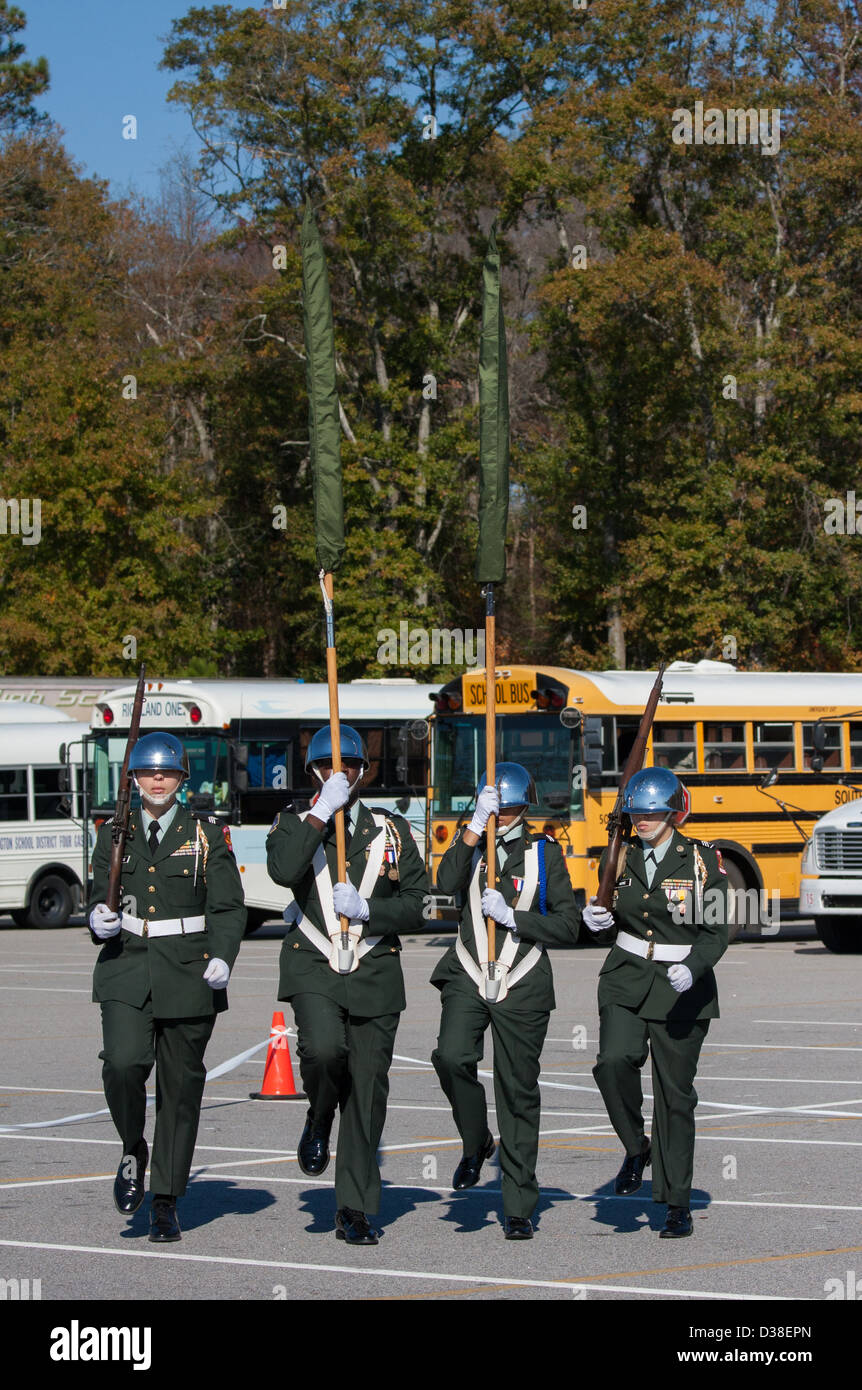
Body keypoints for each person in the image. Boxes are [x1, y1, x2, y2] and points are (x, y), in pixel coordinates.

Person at [266, 724, 428, 1246]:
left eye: (351, 769)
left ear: (363, 772)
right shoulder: (293, 822)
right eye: (330, 769)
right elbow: (282, 869)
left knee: (367, 1093)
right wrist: (320, 811)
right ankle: (317, 1114)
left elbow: (419, 905)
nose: (342, 775)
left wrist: (371, 910)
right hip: (313, 962)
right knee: (321, 1052)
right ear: (314, 771)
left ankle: (355, 1208)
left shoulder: (392, 830)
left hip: (375, 968)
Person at [88, 732, 246, 1242]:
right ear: (133, 779)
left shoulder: (206, 834)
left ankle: (165, 1200)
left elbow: (227, 906)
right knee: (123, 1063)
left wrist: (223, 955)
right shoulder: (115, 831)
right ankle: (133, 1146)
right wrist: (97, 918)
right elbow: (97, 891)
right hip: (126, 966)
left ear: (182, 778)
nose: (158, 780)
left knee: (180, 1092)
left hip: (188, 971)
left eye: (168, 772)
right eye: (148, 772)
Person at [431, 764, 579, 1239]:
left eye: (511, 809)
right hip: (468, 971)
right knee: (451, 1057)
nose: (504, 816)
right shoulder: (469, 842)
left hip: (523, 978)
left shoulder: (543, 853)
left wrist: (514, 916)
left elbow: (568, 925)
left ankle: (518, 1203)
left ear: (524, 809)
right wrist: (474, 826)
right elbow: (442, 881)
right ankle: (476, 1142)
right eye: (498, 808)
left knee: (517, 1092)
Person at [582, 766, 728, 1238]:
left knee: (674, 1097)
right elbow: (606, 914)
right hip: (625, 978)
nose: (642, 820)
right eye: (636, 813)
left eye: (652, 813)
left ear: (672, 814)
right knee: (612, 1062)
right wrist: (596, 921)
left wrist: (698, 963)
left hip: (681, 985)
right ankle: (635, 1145)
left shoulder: (702, 862)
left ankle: (675, 1202)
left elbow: (718, 929)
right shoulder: (619, 857)